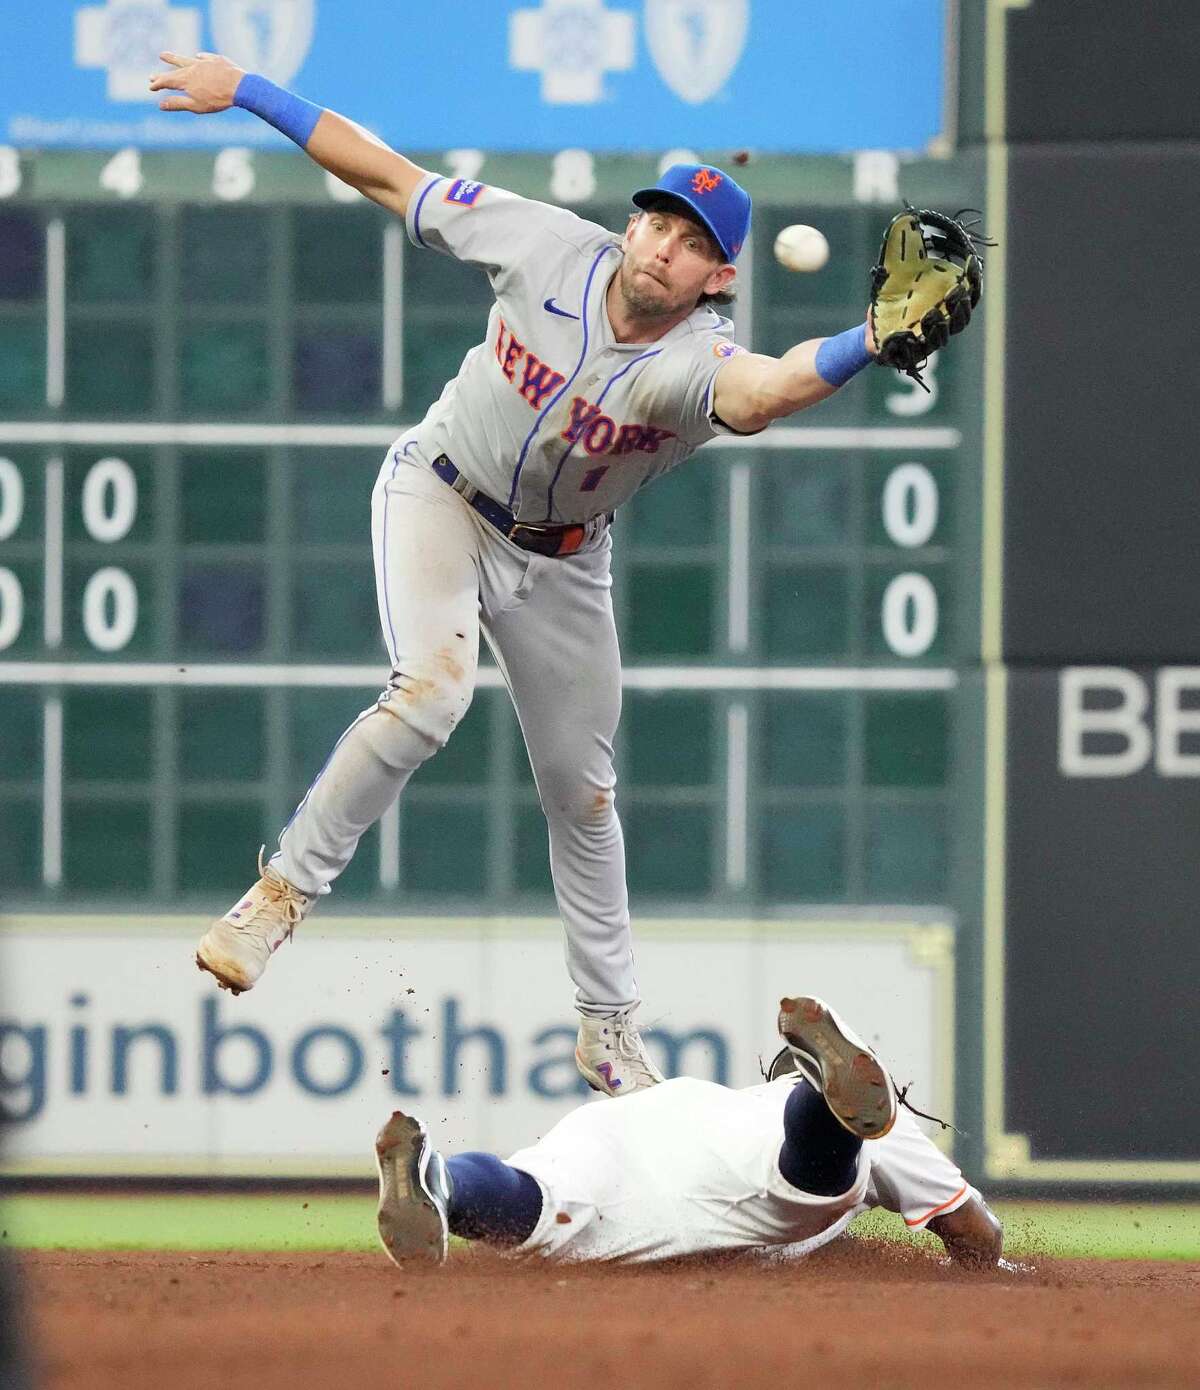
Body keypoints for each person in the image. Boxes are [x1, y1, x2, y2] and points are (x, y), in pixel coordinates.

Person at [150, 52, 898, 1098]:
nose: (664, 247)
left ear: (717, 278)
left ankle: (608, 1028)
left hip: (562, 563)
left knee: (585, 795)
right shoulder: (548, 243)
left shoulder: (693, 361)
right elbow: (388, 177)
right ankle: (279, 896)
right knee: (430, 693)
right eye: (658, 222)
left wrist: (869, 339)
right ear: (632, 224)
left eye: (692, 245)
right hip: (441, 495)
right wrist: (253, 93)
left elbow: (768, 390)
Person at [372, 995, 1003, 1268]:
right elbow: (973, 1230)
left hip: (641, 1123)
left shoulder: (739, 1098)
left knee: (538, 1198)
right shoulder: (883, 1128)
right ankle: (824, 1111)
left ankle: (439, 1178)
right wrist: (987, 1267)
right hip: (732, 1170)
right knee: (811, 1181)